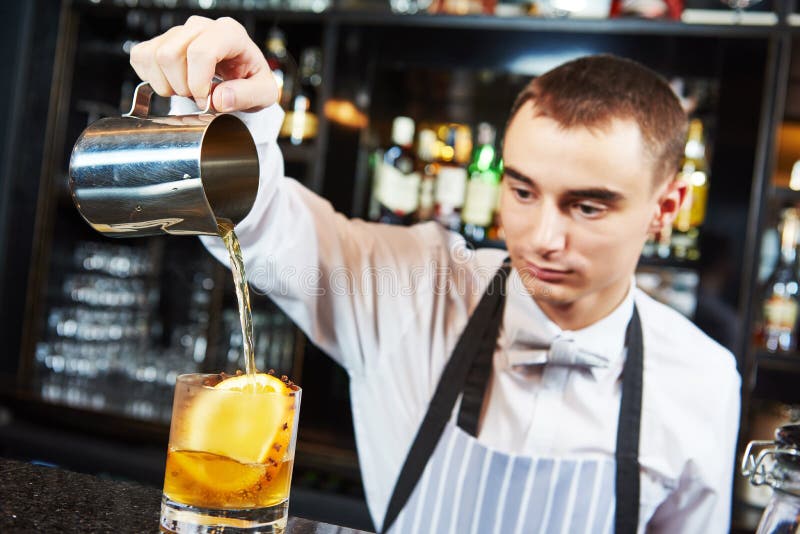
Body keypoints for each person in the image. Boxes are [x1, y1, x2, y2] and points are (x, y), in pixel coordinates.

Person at [131, 15, 741, 533]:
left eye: (588, 206)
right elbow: (259, 225)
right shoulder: (419, 286)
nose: (542, 238)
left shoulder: (703, 382)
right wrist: (224, 110)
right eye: (522, 191)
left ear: (665, 208)